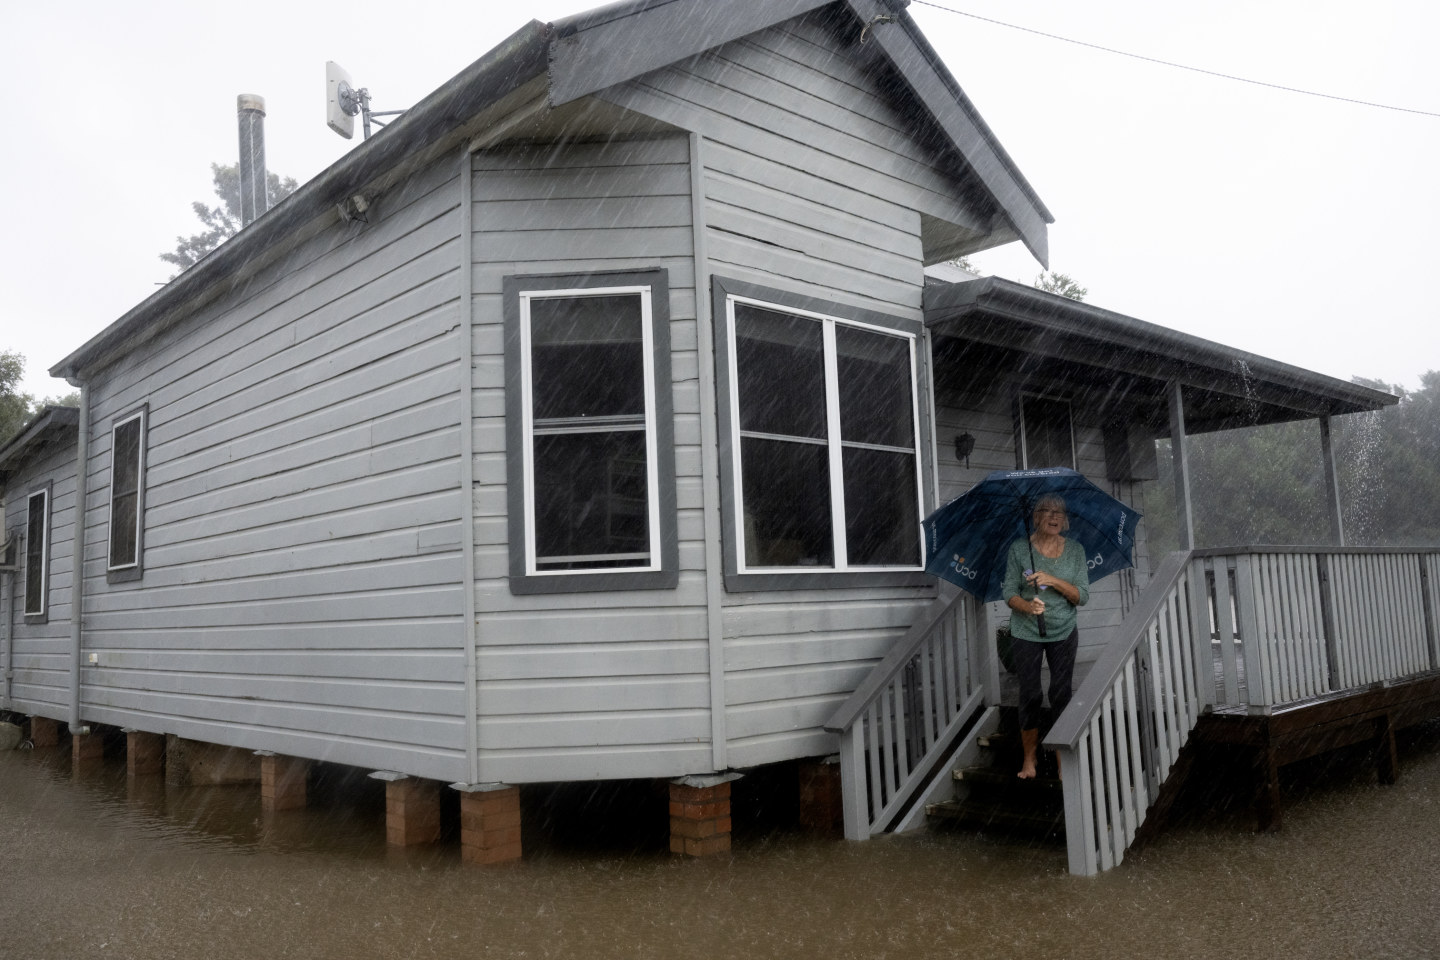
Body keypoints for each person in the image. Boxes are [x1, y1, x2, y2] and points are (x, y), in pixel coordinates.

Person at [1003, 494, 1089, 779]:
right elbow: (1009, 594)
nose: (1053, 516)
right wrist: (1028, 606)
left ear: (1064, 520)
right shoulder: (1019, 549)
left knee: (1061, 693)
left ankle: (1063, 759)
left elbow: (1081, 596)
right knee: (1030, 693)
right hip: (1026, 631)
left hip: (1063, 629)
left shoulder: (1075, 550)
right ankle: (1030, 759)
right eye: (1046, 511)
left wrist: (1052, 580)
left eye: (1059, 512)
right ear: (1036, 518)